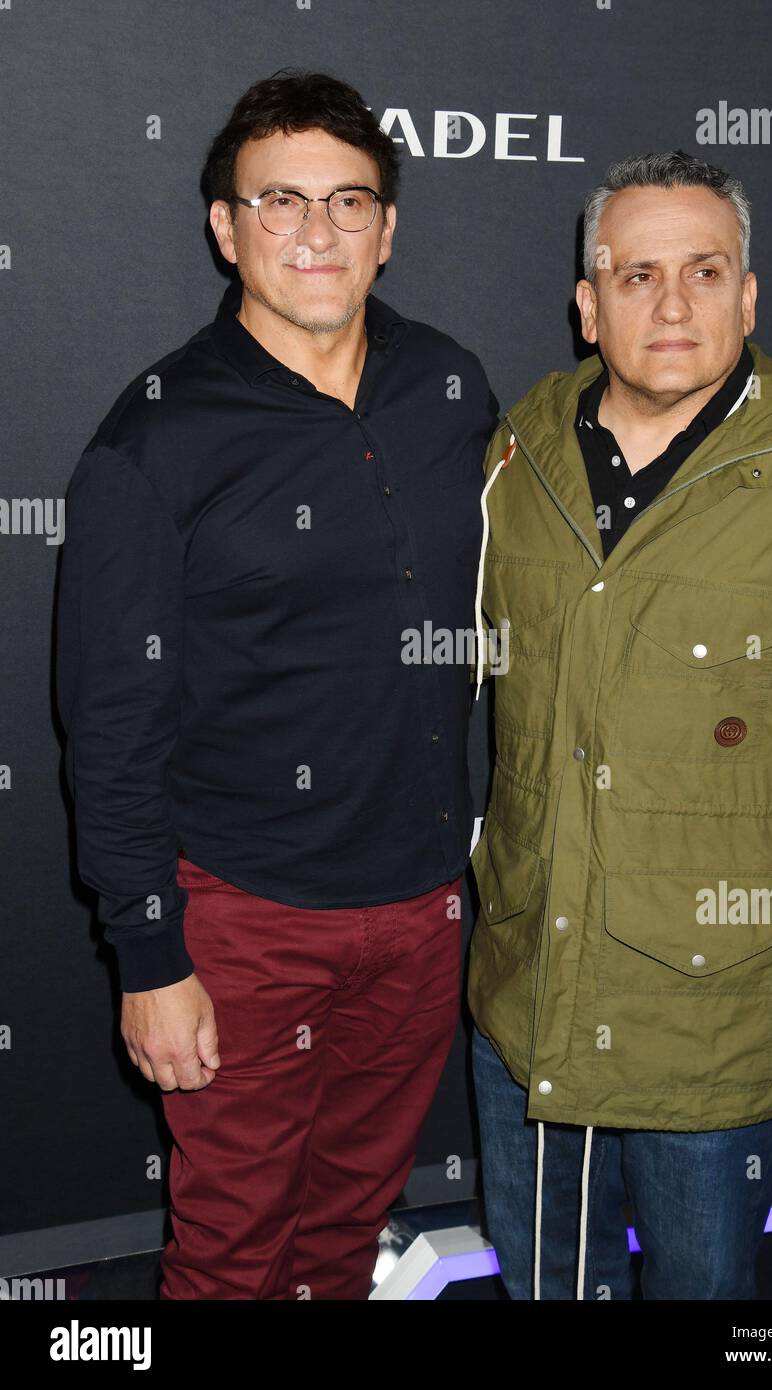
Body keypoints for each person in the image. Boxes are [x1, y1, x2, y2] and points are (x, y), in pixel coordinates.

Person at [55, 68, 498, 1300]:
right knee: (233, 1252)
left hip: (420, 910)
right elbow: (111, 720)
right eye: (280, 202)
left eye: (349, 202)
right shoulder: (154, 437)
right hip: (242, 920)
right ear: (224, 226)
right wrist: (151, 955)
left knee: (344, 1232)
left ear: (390, 227)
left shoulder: (451, 387)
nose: (317, 233)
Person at [466, 149, 772, 1300]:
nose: (671, 305)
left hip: (719, 1016)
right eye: (636, 274)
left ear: (747, 296)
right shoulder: (521, 457)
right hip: (531, 997)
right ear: (587, 303)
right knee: (547, 1291)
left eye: (704, 272)